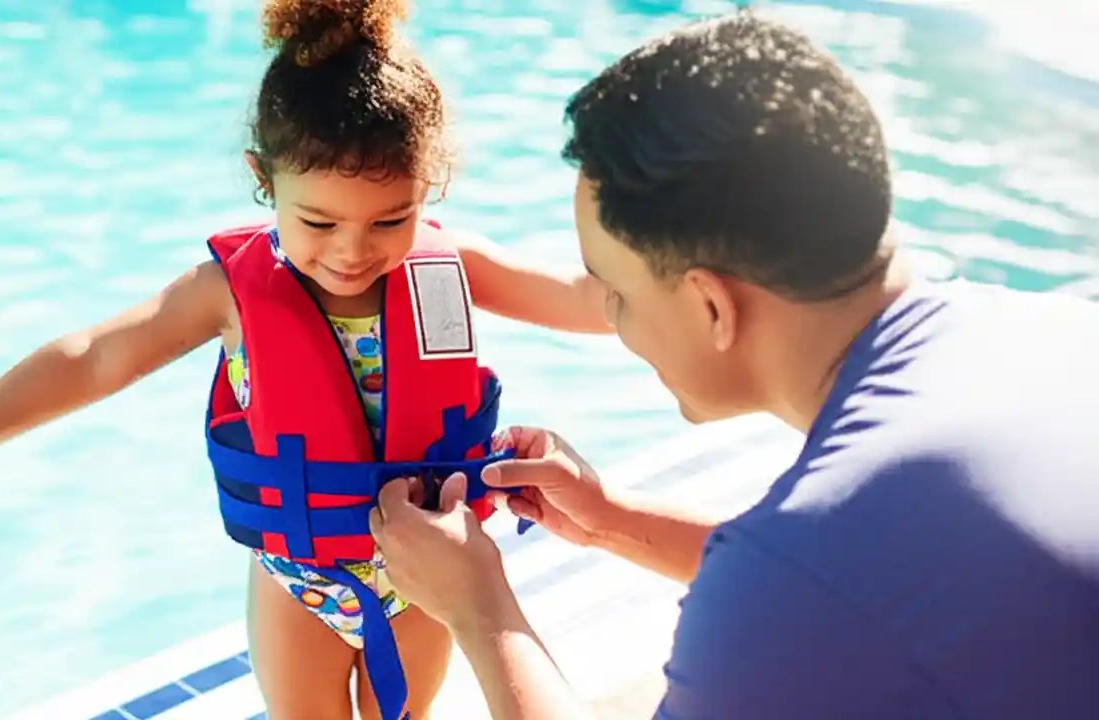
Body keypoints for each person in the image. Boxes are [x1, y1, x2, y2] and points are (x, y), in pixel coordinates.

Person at [0, 2, 610, 719]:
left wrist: (669, 239)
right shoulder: (230, 294)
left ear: (428, 188)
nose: (353, 250)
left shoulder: (451, 268)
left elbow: (591, 301)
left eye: (390, 219)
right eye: (319, 221)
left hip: (425, 579)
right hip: (297, 584)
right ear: (262, 179)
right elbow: (95, 358)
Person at [370, 12, 1099, 720]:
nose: (615, 320)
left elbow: (811, 588)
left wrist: (480, 609)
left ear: (711, 307)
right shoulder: (1054, 331)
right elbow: (879, 581)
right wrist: (610, 521)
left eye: (616, 294)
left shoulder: (785, 589)